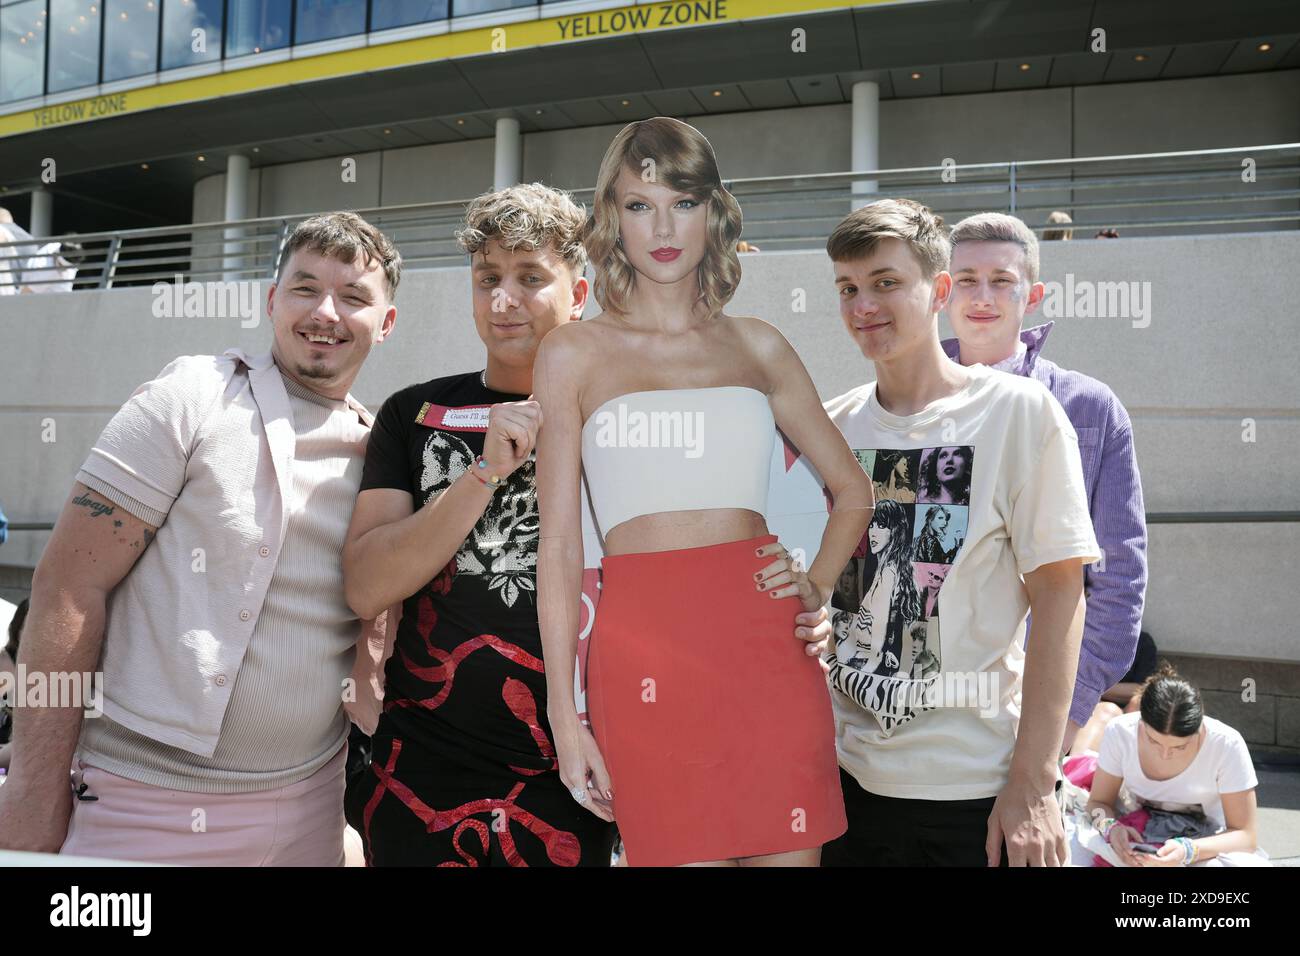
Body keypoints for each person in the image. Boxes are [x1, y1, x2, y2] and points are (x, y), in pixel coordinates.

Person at [0, 212, 400, 865]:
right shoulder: (192, 396)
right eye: (305, 288)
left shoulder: (384, 455)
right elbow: (68, 586)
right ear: (272, 302)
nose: (326, 311)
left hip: (310, 814)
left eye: (353, 296)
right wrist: (32, 792)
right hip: (143, 814)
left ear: (384, 325)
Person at [533, 117, 875, 867]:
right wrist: (566, 716)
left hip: (768, 653)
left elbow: (855, 492)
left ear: (713, 212)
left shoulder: (758, 345)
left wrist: (816, 586)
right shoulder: (572, 354)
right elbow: (556, 549)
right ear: (610, 218)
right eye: (638, 204)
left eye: (682, 203)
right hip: (643, 660)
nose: (662, 226)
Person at [816, 198, 1101, 867]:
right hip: (842, 783)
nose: (864, 305)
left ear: (938, 290)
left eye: (887, 282)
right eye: (848, 289)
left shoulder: (1018, 413)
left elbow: (1061, 596)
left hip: (973, 793)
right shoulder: (832, 427)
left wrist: (1034, 784)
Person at [341, 183, 617, 866]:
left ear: (578, 295)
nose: (504, 299)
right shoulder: (415, 413)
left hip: (573, 775)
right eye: (488, 278)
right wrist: (481, 475)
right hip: (419, 770)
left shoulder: (622, 420)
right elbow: (366, 586)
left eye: (531, 277)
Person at [943, 212, 1147, 754]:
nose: (982, 296)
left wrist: (1065, 714)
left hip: (1033, 713)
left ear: (1031, 295)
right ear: (943, 289)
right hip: (919, 711)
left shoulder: (1089, 409)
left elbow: (1118, 576)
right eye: (966, 279)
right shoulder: (898, 402)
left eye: (1002, 281)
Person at [1082, 665, 1266, 867]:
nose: (1165, 754)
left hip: (1206, 844)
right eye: (1154, 741)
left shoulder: (1226, 743)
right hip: (1136, 835)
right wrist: (1111, 828)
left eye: (1180, 746)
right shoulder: (1121, 732)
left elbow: (1245, 836)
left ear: (1199, 729)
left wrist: (1189, 850)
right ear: (1141, 722)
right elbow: (1098, 804)